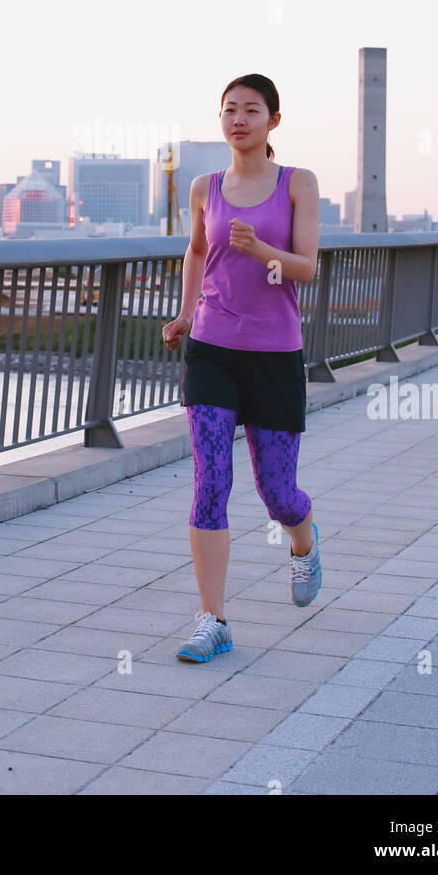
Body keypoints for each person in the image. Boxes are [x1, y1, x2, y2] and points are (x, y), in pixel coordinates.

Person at [161, 73, 322, 663]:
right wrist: (183, 314)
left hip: (276, 353)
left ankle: (302, 542)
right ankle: (213, 620)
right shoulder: (204, 187)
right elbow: (198, 250)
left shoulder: (298, 183)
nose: (238, 119)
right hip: (212, 347)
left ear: (272, 121)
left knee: (276, 492)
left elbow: (306, 267)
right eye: (229, 110)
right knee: (210, 482)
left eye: (251, 110)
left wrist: (263, 253)